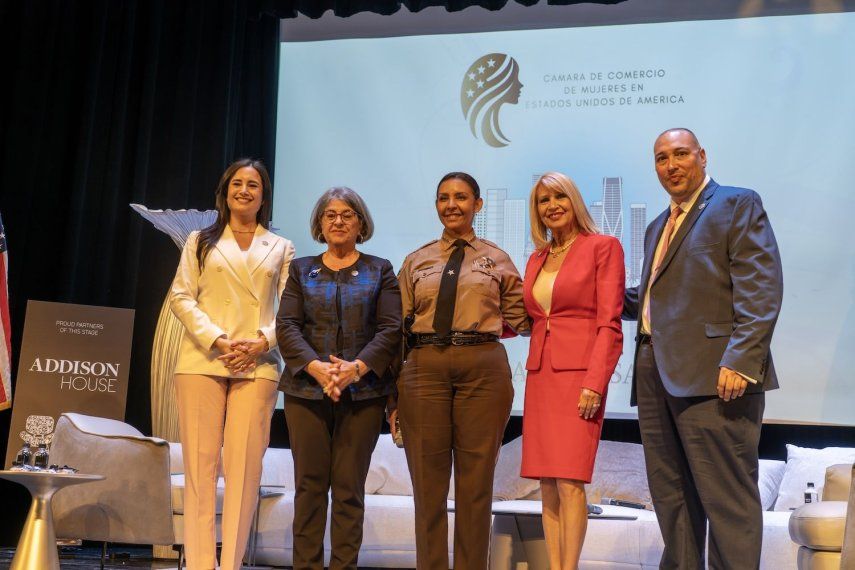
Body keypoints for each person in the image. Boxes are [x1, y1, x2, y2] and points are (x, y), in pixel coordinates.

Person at [623, 128, 783, 569]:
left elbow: (761, 288)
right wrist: (593, 294)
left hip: (718, 376)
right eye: (660, 158)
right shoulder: (659, 225)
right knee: (671, 497)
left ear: (702, 156)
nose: (670, 165)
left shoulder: (736, 204)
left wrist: (741, 359)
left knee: (727, 500)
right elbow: (652, 296)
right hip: (655, 371)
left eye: (680, 154)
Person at [396, 171, 529, 570]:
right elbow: (398, 328)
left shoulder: (498, 258)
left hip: (482, 368)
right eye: (443, 198)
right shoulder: (416, 260)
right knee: (428, 487)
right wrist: (392, 398)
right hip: (423, 369)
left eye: (461, 197)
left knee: (475, 487)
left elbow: (523, 320)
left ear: (478, 204)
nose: (451, 205)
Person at [169, 158, 295, 570]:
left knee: (243, 472)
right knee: (200, 471)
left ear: (264, 195)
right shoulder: (199, 241)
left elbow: (291, 309)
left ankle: (231, 564)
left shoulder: (280, 246)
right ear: (225, 192)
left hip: (257, 364)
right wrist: (219, 339)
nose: (244, 190)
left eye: (253, 185)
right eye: (237, 183)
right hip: (204, 358)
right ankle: (202, 564)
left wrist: (261, 342)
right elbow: (181, 297)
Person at [276, 187, 401, 570]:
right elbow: (287, 326)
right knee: (310, 488)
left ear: (361, 223)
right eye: (330, 215)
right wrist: (317, 367)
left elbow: (391, 328)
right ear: (319, 223)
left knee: (348, 490)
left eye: (347, 214)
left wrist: (355, 369)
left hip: (362, 395)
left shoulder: (380, 269)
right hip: (305, 391)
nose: (338, 221)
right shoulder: (301, 270)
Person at [521, 172, 624, 569]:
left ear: (574, 200)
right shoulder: (537, 258)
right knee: (547, 483)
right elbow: (530, 316)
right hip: (541, 376)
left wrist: (595, 384)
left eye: (559, 196)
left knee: (570, 481)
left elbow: (609, 323)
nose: (552, 206)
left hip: (581, 377)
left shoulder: (603, 247)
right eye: (544, 200)